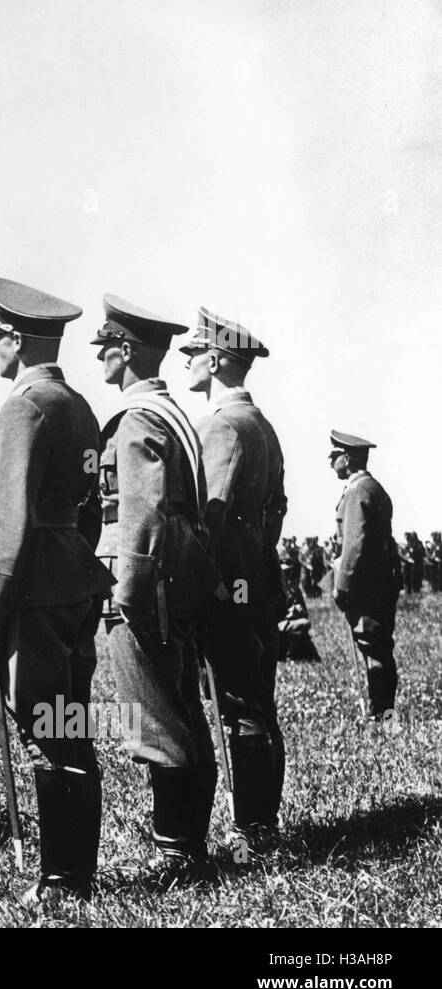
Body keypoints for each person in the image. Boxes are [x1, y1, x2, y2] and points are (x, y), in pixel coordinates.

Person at [0, 278, 113, 905]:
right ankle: (74, 873)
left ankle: (61, 883)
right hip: (74, 580)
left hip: (32, 588)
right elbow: (89, 512)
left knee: (47, 729)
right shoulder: (77, 404)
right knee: (70, 722)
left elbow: (10, 521)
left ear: (18, 338)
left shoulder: (23, 407)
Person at [93, 294, 221, 886]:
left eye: (106, 349)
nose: (101, 359)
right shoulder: (173, 413)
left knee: (153, 717)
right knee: (183, 711)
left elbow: (139, 516)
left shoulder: (136, 418)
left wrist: (129, 593)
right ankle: (189, 844)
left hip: (146, 587)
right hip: (179, 581)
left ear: (125, 351)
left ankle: (178, 856)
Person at [180, 309, 287, 841]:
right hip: (260, 577)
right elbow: (277, 508)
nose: (186, 362)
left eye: (192, 353)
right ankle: (263, 818)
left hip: (227, 583)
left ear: (216, 359)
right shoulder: (262, 423)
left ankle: (253, 826)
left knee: (238, 705)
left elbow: (208, 519)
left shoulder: (219, 425)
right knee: (258, 701)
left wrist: (201, 582)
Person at [329, 430, 402, 719]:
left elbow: (354, 543)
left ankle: (380, 715)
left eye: (334, 456)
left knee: (374, 650)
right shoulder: (373, 488)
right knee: (380, 648)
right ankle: (384, 714)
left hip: (366, 585)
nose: (330, 461)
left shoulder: (358, 491)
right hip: (380, 582)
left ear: (348, 458)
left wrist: (342, 586)